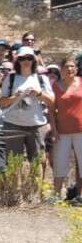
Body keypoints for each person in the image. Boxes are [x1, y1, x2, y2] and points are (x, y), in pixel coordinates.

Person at [0, 46, 54, 163]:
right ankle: (15, 182)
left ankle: (35, 182)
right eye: (22, 58)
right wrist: (15, 97)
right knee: (13, 163)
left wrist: (39, 94)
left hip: (35, 125)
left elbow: (51, 102)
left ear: (34, 60)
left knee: (38, 162)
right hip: (13, 125)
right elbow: (2, 103)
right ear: (17, 60)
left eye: (29, 58)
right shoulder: (10, 78)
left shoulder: (42, 78)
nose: (26, 61)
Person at [50, 56, 82, 197]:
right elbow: (51, 110)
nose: (69, 69)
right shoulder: (55, 86)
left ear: (76, 69)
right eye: (66, 67)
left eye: (72, 66)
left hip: (81, 129)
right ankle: (56, 195)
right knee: (60, 163)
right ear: (61, 69)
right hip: (62, 131)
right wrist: (54, 130)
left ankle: (80, 196)